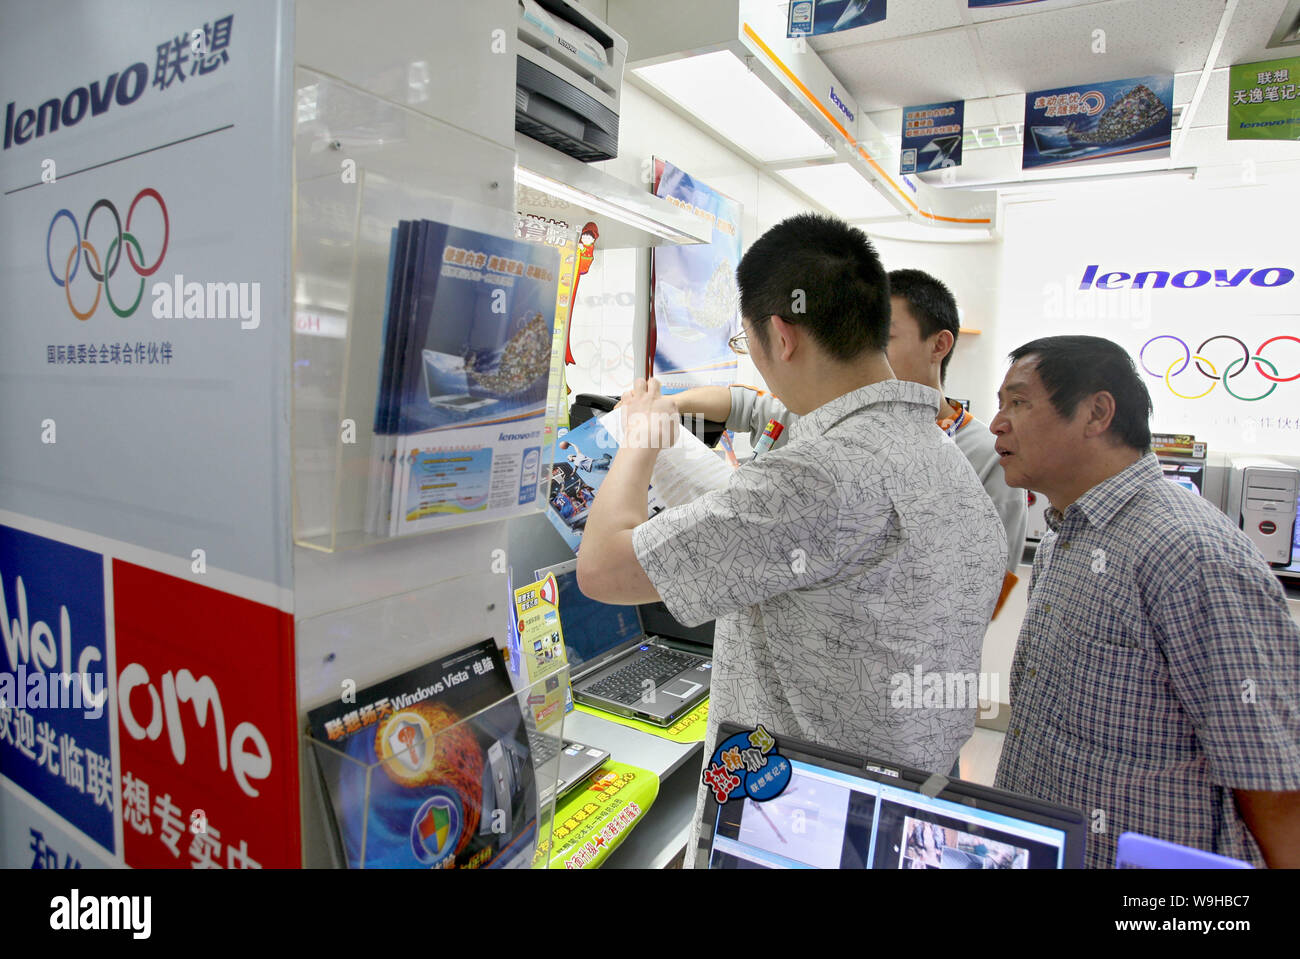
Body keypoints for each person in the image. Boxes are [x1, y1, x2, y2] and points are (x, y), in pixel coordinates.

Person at [576, 214, 1007, 853]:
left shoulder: (822, 472)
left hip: (795, 825)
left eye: (745, 339)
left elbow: (604, 570)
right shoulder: (938, 449)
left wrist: (638, 433)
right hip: (901, 806)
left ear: (780, 333)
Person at [989, 334, 1300, 869]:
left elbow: (1272, 777)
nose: (997, 423)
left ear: (1097, 412)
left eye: (1018, 402)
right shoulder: (1066, 533)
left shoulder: (1190, 553)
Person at [673, 268, 1027, 617]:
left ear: (939, 345)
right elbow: (742, 403)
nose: (862, 352)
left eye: (882, 338)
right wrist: (665, 404)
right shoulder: (819, 414)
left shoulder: (986, 455)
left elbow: (988, 594)